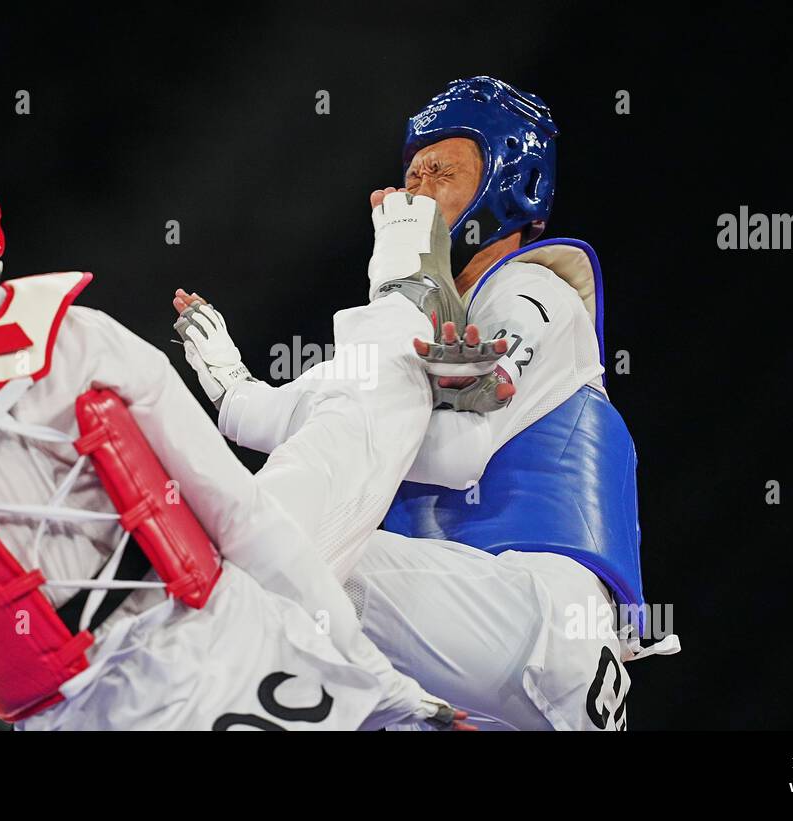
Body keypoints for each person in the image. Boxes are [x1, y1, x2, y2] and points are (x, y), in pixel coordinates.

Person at [0, 107, 468, 731]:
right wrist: (390, 695)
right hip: (272, 672)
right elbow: (247, 519)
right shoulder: (81, 332)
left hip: (96, 709)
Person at [176, 77, 678, 731]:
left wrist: (402, 284)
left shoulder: (536, 294)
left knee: (289, 565)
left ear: (511, 186)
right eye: (411, 175)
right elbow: (336, 410)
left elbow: (454, 449)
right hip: (496, 667)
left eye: (442, 172)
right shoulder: (424, 333)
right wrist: (235, 392)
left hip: (542, 627)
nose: (417, 192)